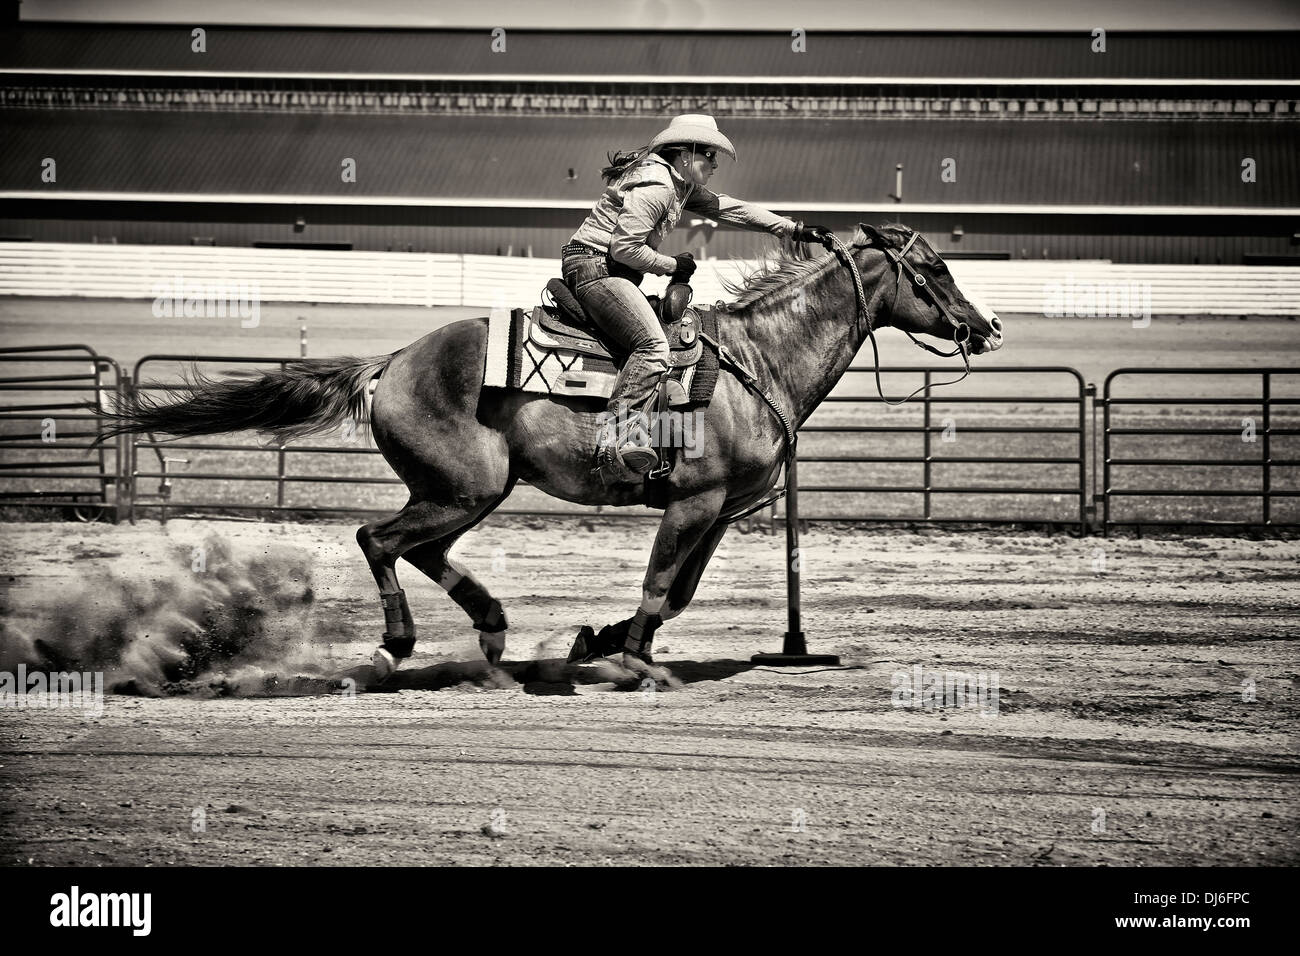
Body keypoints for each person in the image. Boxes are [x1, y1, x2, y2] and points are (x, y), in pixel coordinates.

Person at [561, 113, 832, 475]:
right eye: (710, 154)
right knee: (653, 347)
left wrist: (793, 229)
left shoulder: (678, 186)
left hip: (606, 270)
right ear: (686, 155)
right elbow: (624, 249)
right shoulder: (658, 186)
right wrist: (673, 266)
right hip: (596, 269)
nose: (715, 164)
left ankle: (657, 434)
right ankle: (612, 442)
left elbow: (729, 208)